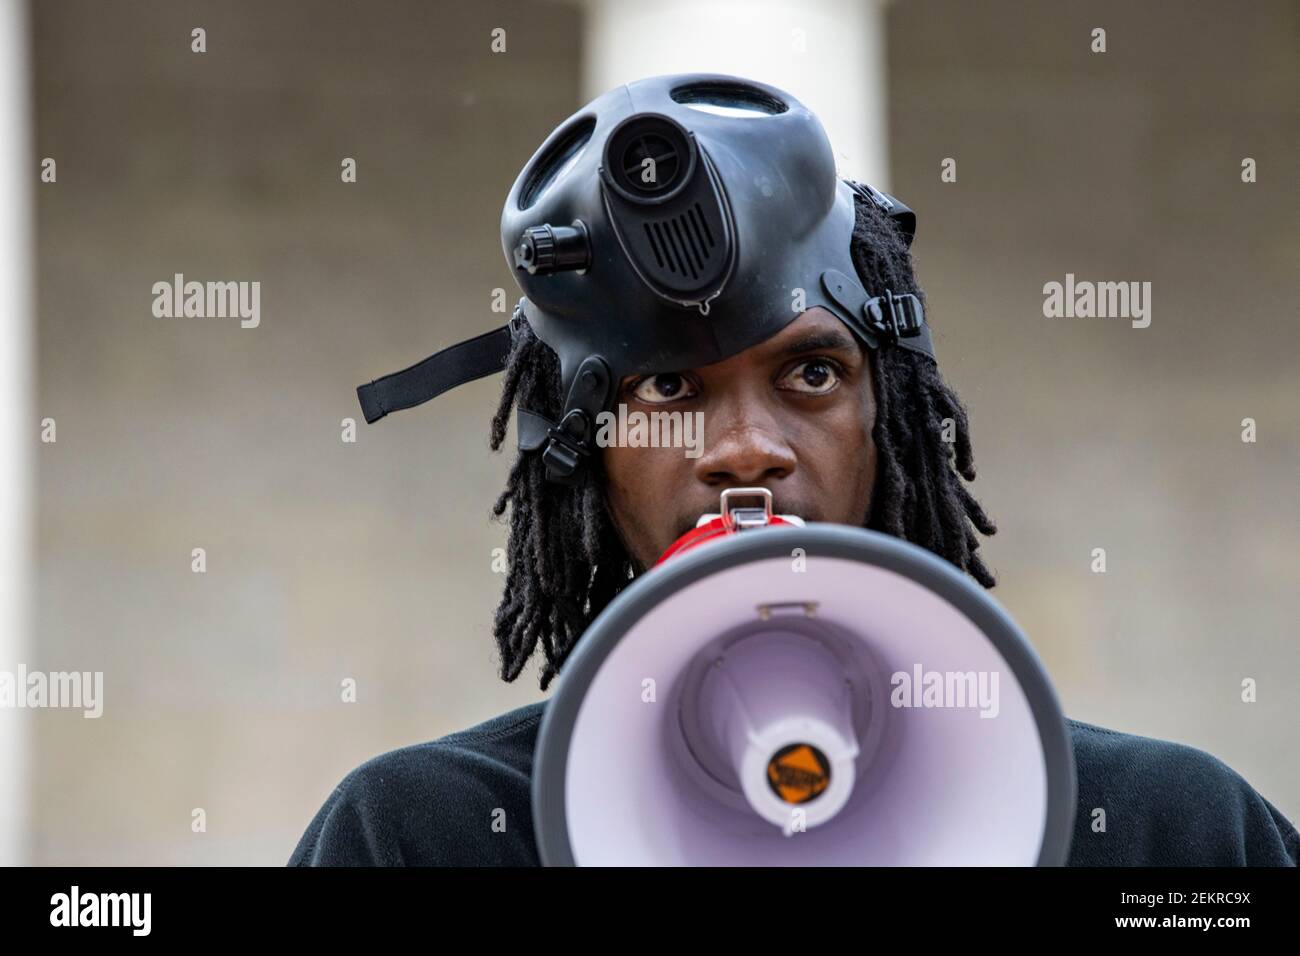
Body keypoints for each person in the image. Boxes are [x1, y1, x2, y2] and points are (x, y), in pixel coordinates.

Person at [290, 74, 1299, 867]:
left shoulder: (1170, 834)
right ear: (584, 451)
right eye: (668, 389)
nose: (744, 449)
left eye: (812, 372)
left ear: (889, 415)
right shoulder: (421, 838)